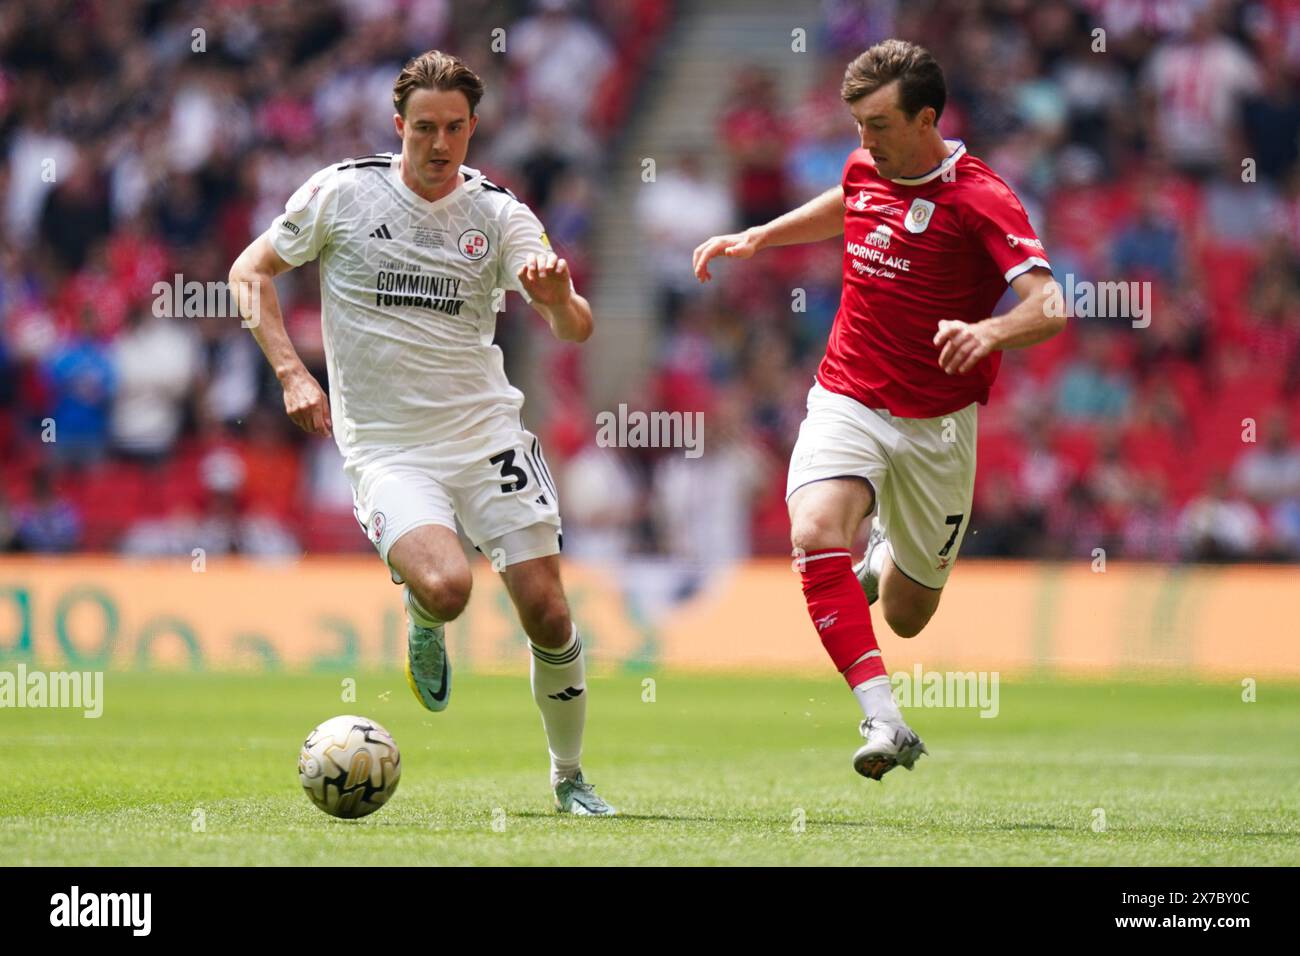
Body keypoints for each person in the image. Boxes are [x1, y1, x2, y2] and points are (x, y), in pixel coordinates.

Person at [229, 51, 614, 815]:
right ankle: (421, 612)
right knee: (446, 588)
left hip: (487, 435)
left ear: (474, 128)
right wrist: (293, 374)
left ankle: (569, 777)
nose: (440, 145)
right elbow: (249, 271)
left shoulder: (499, 214)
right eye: (425, 128)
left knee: (550, 613)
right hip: (389, 447)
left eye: (456, 129)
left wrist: (563, 299)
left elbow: (575, 329)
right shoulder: (340, 193)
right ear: (398, 126)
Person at [693, 39, 1065, 781]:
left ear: (927, 118)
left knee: (906, 614)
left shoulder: (981, 198)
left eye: (880, 124)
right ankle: (884, 719)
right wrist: (763, 235)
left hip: (937, 428)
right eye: (858, 124)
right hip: (848, 395)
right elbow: (850, 199)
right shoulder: (869, 165)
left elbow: (1050, 304)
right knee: (813, 529)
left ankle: (884, 558)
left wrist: (988, 329)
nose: (864, 141)